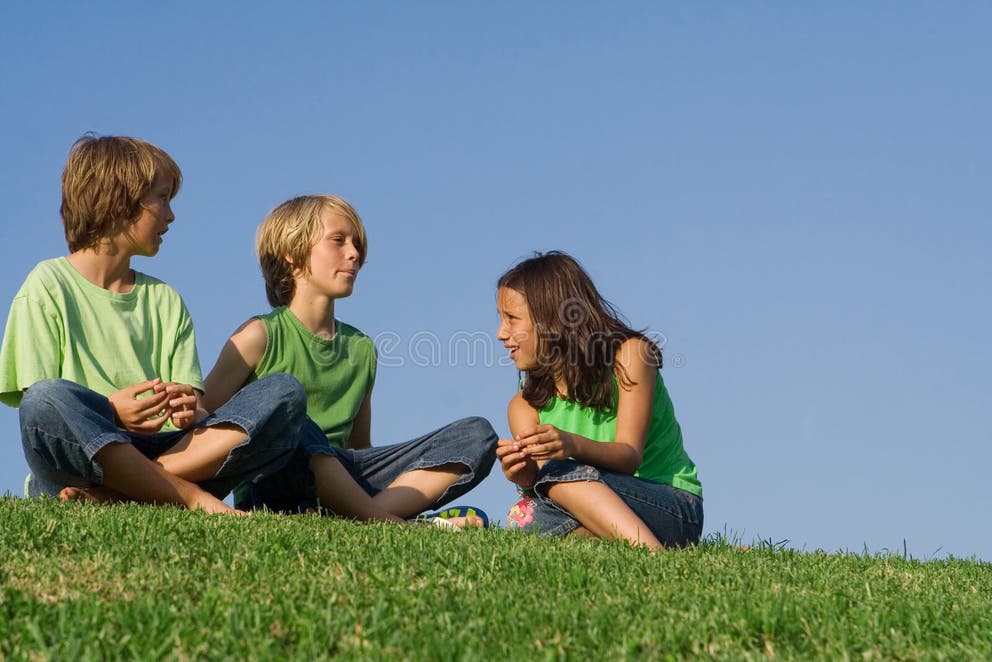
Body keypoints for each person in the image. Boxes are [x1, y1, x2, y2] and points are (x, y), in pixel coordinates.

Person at [0, 134, 307, 514]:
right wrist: (111, 412)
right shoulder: (46, 284)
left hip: (164, 449)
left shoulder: (166, 300)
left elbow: (194, 411)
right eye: (162, 198)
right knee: (46, 398)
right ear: (120, 200)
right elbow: (40, 407)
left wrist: (187, 410)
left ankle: (126, 493)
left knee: (285, 393)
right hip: (80, 463)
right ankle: (191, 497)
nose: (170, 215)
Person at [202, 194, 497, 527]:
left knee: (477, 435)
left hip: (342, 473)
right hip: (276, 477)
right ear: (291, 254)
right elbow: (206, 420)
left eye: (356, 244)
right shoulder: (259, 335)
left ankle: (355, 516)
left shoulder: (362, 348)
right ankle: (390, 523)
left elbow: (360, 448)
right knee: (294, 420)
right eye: (338, 241)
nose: (354, 254)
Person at [494, 251, 703, 550]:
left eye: (512, 319)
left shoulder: (630, 356)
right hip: (586, 503)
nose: (501, 333)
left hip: (669, 503)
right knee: (523, 516)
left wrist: (571, 445)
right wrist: (525, 476)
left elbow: (629, 457)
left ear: (551, 317)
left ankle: (653, 554)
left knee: (559, 472)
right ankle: (608, 539)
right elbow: (545, 485)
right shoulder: (523, 406)